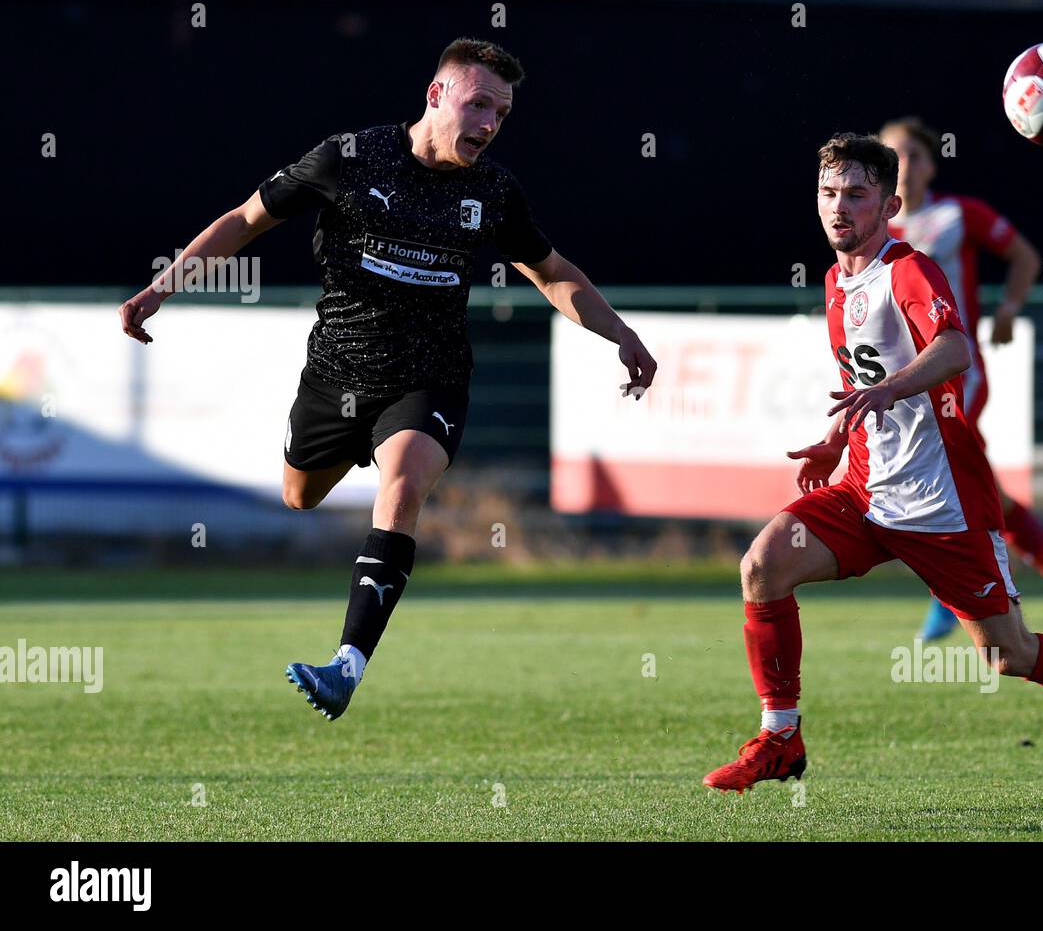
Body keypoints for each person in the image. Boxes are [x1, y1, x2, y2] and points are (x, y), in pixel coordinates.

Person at [117, 38, 657, 721]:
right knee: (299, 496)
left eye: (502, 114)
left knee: (403, 483)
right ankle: (339, 486)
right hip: (336, 373)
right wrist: (161, 288)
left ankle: (348, 664)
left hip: (428, 380)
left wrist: (622, 333)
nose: (489, 125)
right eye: (478, 104)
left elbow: (550, 273)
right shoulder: (349, 157)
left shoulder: (491, 190)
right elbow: (245, 220)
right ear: (436, 95)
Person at [700, 133, 1043, 808]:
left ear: (889, 204)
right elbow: (865, 383)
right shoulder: (838, 279)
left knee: (1010, 654)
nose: (838, 207)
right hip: (865, 492)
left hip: (943, 504)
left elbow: (955, 347)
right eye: (828, 193)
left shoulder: (909, 269)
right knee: (762, 566)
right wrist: (838, 440)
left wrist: (892, 390)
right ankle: (780, 735)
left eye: (856, 195)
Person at [879, 116, 1043, 644]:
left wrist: (1008, 309)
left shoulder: (957, 214)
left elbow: (1023, 255)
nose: (903, 165)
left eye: (913, 155)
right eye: (892, 155)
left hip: (954, 374)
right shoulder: (871, 227)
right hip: (903, 383)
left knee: (939, 479)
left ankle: (954, 598)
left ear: (930, 163)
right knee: (974, 486)